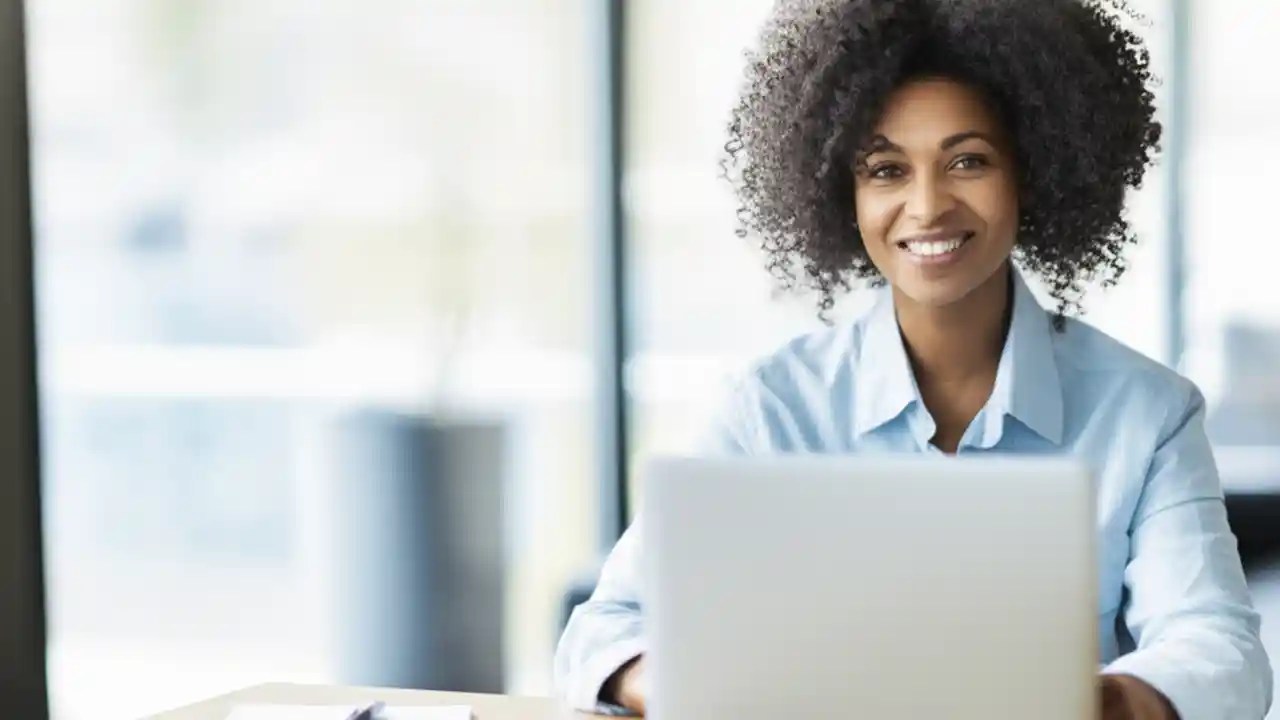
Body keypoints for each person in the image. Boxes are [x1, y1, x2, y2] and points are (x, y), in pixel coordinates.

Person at [554, 1, 1274, 717]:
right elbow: (603, 630)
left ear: (1035, 171)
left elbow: (1221, 653)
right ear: (845, 194)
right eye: (886, 169)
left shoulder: (1147, 413)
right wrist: (695, 686)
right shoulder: (769, 407)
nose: (927, 206)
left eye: (968, 160)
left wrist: (1097, 702)